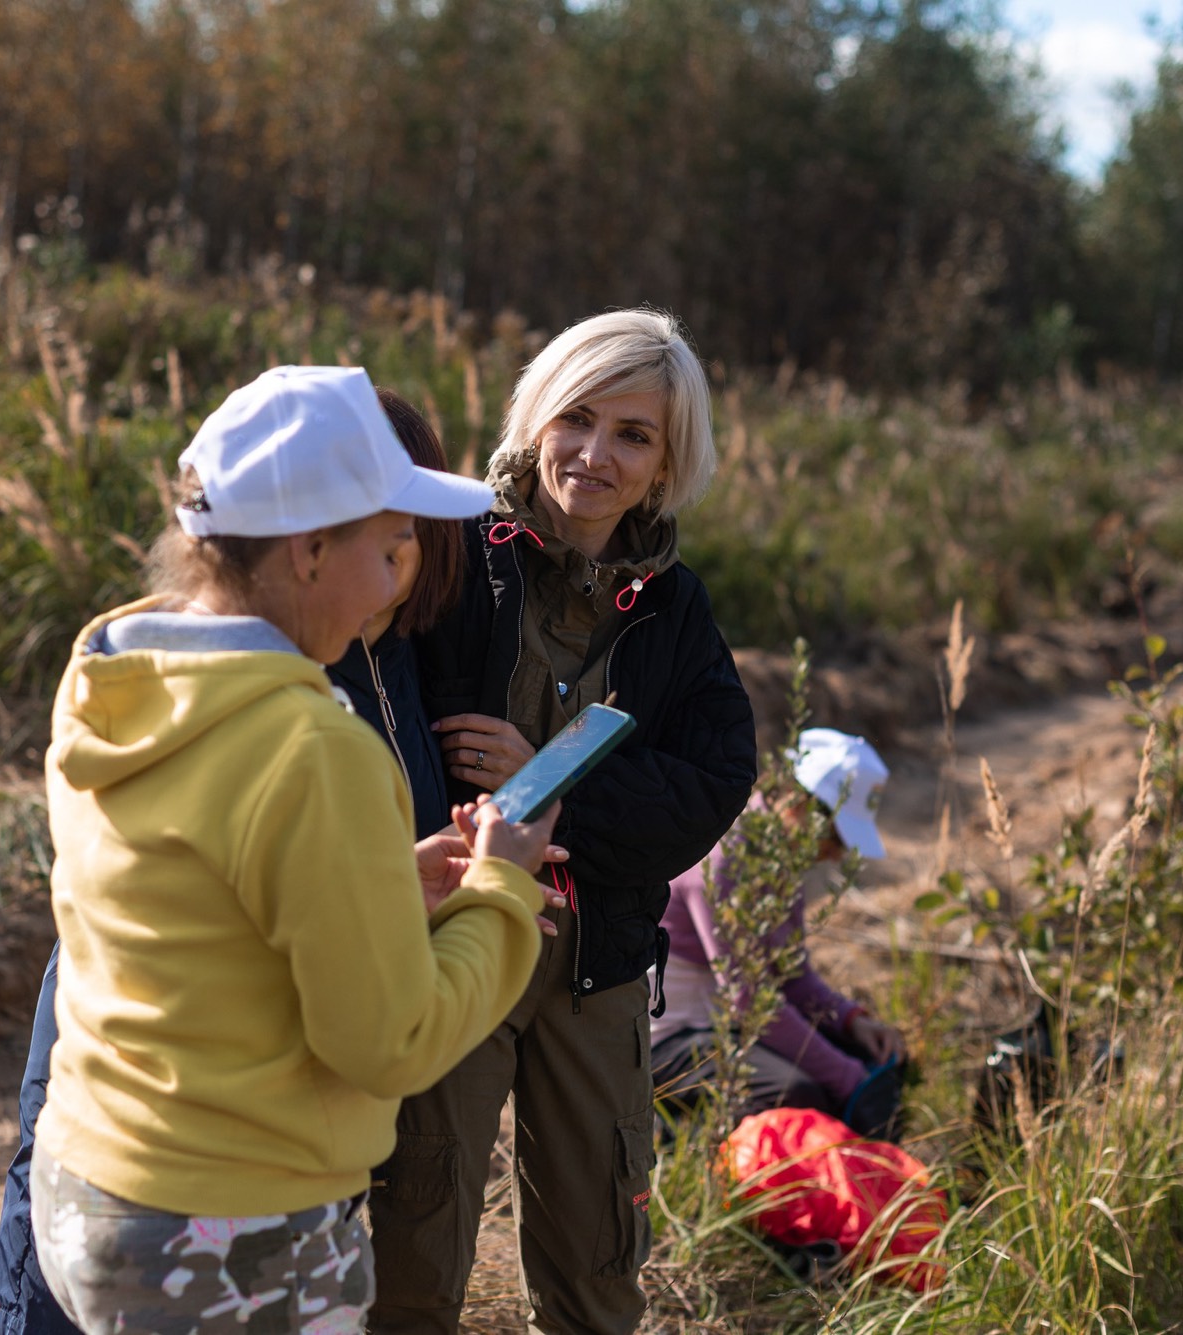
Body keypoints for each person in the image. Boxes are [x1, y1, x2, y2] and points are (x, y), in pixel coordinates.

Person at [27, 365, 563, 1334]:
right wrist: (498, 889)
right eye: (393, 544)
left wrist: (378, 885)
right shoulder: (314, 749)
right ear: (312, 551)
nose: (400, 577)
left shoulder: (113, 678)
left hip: (91, 1187)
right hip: (234, 1229)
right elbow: (389, 1040)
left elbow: (197, 908)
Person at [369, 309, 758, 1335]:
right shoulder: (455, 554)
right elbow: (366, 692)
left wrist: (553, 788)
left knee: (596, 1267)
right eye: (576, 419)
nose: (595, 454)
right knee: (412, 1247)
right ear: (535, 415)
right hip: (452, 946)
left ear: (669, 460)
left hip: (597, 968)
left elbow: (715, 781)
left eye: (634, 435)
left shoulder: (676, 609)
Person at [651, 728, 908, 1138]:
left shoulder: (780, 860)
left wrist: (851, 1022)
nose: (837, 853)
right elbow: (750, 1000)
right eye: (836, 835)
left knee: (878, 1058)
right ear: (799, 802)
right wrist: (847, 1078)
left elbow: (792, 978)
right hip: (673, 1036)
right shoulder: (725, 863)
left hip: (727, 1020)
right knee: (796, 1095)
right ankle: (675, 1142)